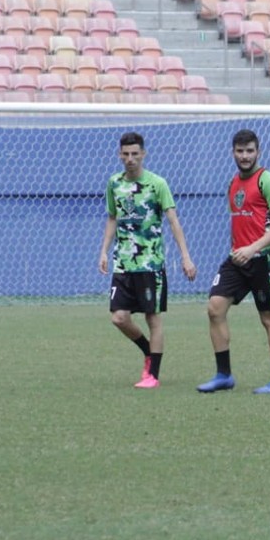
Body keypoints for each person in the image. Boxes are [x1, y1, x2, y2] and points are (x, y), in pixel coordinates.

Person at [98, 131, 197, 389]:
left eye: (135, 154)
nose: (130, 159)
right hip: (123, 264)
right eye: (125, 154)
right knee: (118, 317)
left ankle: (152, 374)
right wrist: (104, 251)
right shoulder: (114, 184)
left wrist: (185, 257)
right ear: (120, 155)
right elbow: (112, 217)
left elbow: (173, 221)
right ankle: (147, 352)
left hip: (150, 264)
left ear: (143, 154)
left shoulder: (157, 184)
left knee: (153, 319)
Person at [197, 128, 270, 394]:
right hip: (238, 259)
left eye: (250, 150)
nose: (245, 156)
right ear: (233, 153)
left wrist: (253, 248)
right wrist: (239, 249)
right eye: (240, 151)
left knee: (268, 318)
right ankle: (223, 375)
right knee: (215, 308)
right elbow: (238, 222)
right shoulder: (233, 183)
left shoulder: (267, 180)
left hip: (266, 258)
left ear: (258, 152)